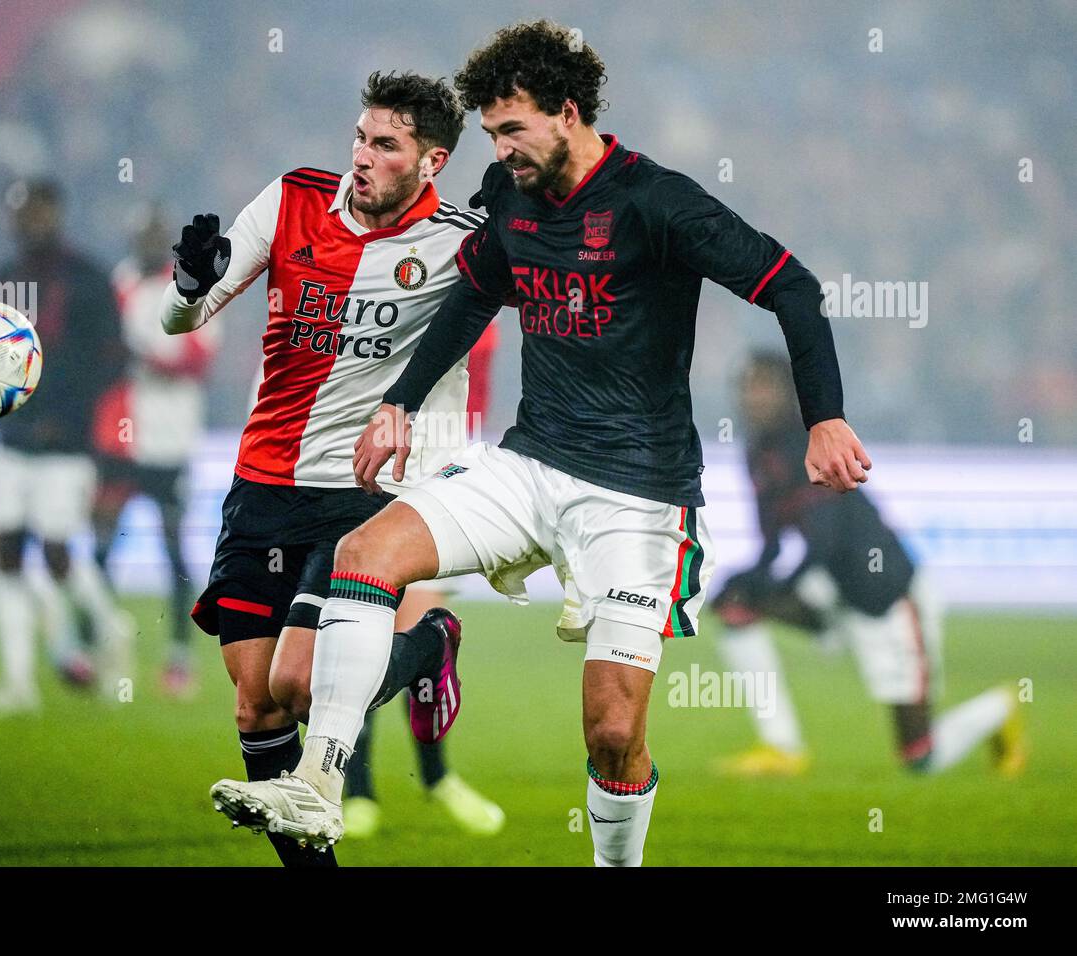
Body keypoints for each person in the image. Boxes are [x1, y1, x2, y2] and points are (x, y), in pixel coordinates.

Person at [209, 20, 871, 867]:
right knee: (364, 552)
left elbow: (794, 287)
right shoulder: (515, 199)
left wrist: (825, 415)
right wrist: (400, 404)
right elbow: (474, 296)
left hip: (636, 494)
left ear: (567, 113)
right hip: (528, 466)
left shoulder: (657, 203)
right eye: (490, 134)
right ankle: (320, 785)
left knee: (612, 732)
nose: (502, 150)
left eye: (513, 129)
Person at [163, 72, 499, 866]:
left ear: (432, 160)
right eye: (359, 137)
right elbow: (184, 319)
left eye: (386, 145)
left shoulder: (456, 243)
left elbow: (551, 284)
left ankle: (429, 644)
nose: (362, 156)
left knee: (302, 685)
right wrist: (187, 285)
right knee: (256, 712)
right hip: (261, 489)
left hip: (358, 497)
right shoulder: (289, 201)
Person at [710, 352, 1025, 777]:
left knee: (920, 757)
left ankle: (998, 710)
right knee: (734, 605)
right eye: (747, 387)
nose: (754, 397)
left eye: (764, 386)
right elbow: (772, 544)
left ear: (788, 391)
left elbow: (826, 538)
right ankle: (782, 747)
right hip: (834, 589)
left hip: (888, 597)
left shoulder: (810, 443)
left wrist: (773, 587)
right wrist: (742, 581)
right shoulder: (759, 453)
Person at [0, 178, 131, 716]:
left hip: (66, 445)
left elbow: (115, 359)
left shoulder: (87, 279)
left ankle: (112, 629)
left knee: (58, 551)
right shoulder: (3, 278)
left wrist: (70, 416)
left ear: (55, 213)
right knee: (8, 553)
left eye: (35, 211)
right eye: (19, 213)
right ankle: (18, 684)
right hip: (10, 440)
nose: (25, 222)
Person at [93, 204, 216, 698]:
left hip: (169, 438)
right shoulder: (119, 282)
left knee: (173, 549)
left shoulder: (190, 285)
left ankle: (179, 656)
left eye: (154, 238)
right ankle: (102, 644)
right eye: (140, 236)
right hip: (121, 436)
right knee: (101, 542)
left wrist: (139, 356)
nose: (145, 245)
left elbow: (198, 360)